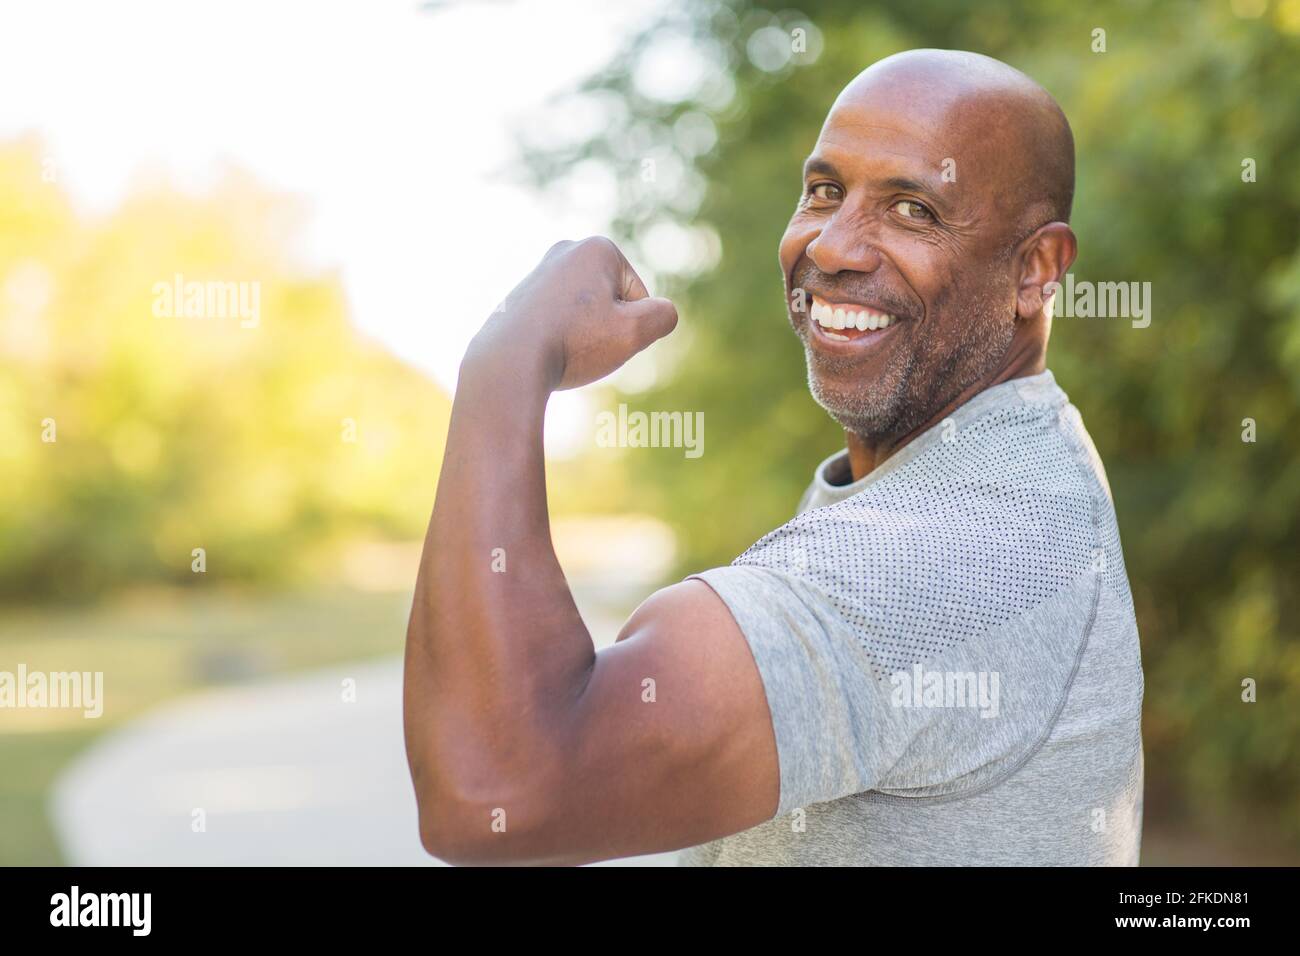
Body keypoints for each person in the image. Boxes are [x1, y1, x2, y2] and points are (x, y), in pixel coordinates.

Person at [403, 49, 1144, 866]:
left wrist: (505, 365)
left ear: (1036, 270)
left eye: (913, 210)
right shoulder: (1007, 458)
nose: (831, 248)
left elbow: (495, 793)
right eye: (825, 192)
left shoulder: (953, 550)